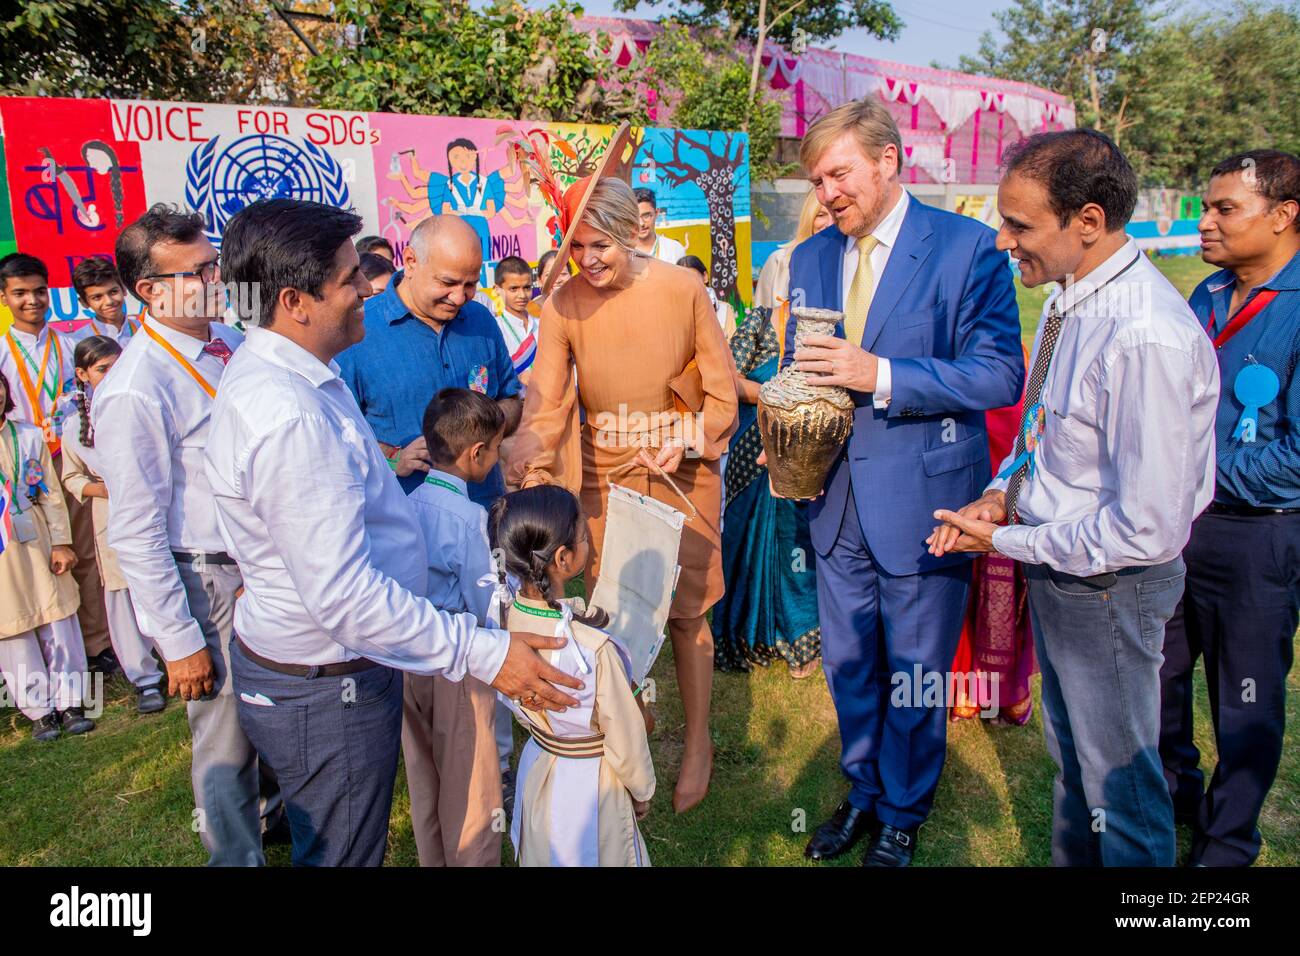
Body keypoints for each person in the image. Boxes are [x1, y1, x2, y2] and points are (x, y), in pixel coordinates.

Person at [206, 197, 583, 867]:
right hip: (330, 680)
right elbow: (346, 599)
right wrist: (487, 652)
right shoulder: (289, 415)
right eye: (351, 279)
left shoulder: (297, 379)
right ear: (295, 300)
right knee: (345, 853)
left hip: (335, 660)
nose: (365, 290)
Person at [929, 129, 1219, 867]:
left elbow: (1146, 527)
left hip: (1109, 588)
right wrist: (1001, 496)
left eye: (1020, 224)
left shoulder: (1142, 333)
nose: (1002, 241)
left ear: (1087, 221)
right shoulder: (1073, 303)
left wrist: (1007, 542)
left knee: (1119, 792)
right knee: (1080, 766)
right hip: (1068, 573)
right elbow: (1046, 435)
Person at [780, 99, 1024, 867]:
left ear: (888, 161)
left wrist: (880, 374)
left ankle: (904, 809)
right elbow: (806, 364)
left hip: (925, 502)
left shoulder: (967, 248)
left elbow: (999, 373)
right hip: (831, 502)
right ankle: (863, 792)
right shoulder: (816, 256)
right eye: (818, 180)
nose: (828, 194)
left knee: (916, 673)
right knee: (850, 665)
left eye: (839, 174)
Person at [510, 153, 738, 813]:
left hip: (681, 472)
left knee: (689, 613)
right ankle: (631, 729)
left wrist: (686, 437)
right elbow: (547, 406)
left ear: (634, 233)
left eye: (600, 244)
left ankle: (698, 740)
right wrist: (528, 465)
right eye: (576, 246)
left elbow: (721, 397)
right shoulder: (563, 305)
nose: (588, 259)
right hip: (602, 479)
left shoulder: (681, 289)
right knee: (617, 614)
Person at [93, 204, 278, 867]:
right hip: (210, 579)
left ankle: (272, 819)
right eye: (198, 270)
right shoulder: (135, 389)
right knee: (225, 735)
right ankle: (235, 857)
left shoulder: (231, 341)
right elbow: (136, 533)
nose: (216, 277)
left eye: (213, 263)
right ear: (149, 291)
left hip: (264, 563)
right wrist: (178, 643)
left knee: (275, 703)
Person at [1160, 148, 1300, 867]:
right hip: (1177, 528)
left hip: (1258, 541)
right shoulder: (1206, 296)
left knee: (1244, 701)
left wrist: (1190, 470)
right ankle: (1176, 796)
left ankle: (1226, 844)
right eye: (1207, 205)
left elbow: (1296, 461)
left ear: (1283, 216)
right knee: (1159, 677)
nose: (1206, 222)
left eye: (1225, 209)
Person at [491, 485, 656, 866]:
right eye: (584, 534)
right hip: (595, 785)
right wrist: (641, 789)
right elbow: (625, 733)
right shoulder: (593, 649)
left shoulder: (505, 623)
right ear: (563, 558)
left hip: (539, 766)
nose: (589, 539)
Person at [338, 215, 522, 506]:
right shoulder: (358, 332)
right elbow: (339, 435)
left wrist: (487, 423)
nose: (460, 297)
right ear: (410, 261)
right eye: (448, 282)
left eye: (471, 284)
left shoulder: (481, 320)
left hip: (484, 510)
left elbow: (511, 399)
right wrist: (392, 457)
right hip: (406, 520)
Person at [403, 387, 508, 867]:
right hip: (456, 659)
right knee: (471, 776)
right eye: (497, 450)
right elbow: (483, 599)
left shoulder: (406, 503)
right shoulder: (469, 517)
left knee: (423, 773)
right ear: (477, 453)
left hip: (407, 653)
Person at [0, 253, 114, 675]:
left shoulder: (71, 346)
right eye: (20, 293)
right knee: (31, 559)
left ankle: (97, 644)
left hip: (68, 460)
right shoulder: (1, 353)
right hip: (21, 468)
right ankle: (43, 658)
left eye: (39, 291)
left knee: (84, 553)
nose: (32, 300)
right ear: (4, 298)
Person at [711, 304, 821, 679]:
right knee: (742, 544)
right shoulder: (762, 321)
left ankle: (800, 640)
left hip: (800, 451)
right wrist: (781, 396)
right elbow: (726, 379)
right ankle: (745, 637)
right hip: (749, 457)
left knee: (795, 544)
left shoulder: (829, 329)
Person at [60, 335, 166, 715]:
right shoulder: (73, 425)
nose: (112, 374)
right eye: (103, 369)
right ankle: (145, 678)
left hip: (155, 510)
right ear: (83, 374)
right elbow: (71, 478)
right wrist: (101, 488)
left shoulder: (141, 405)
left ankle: (175, 657)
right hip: (111, 517)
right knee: (122, 594)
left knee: (160, 581)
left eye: (118, 366)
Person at [0, 369, 95, 741]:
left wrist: (61, 542)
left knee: (58, 617)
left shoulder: (26, 435)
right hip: (3, 551)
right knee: (13, 627)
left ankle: (71, 703)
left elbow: (52, 493)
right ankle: (39, 710)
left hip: (38, 537)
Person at [948, 357, 1035, 725]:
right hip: (963, 439)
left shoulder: (1013, 348)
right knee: (960, 574)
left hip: (1004, 447)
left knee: (998, 578)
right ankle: (968, 689)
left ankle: (998, 690)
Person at [753, 190, 832, 310]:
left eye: (836, 215)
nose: (830, 224)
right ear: (809, 218)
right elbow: (760, 320)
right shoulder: (779, 262)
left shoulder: (852, 262)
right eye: (821, 215)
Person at [491, 255, 540, 382]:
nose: (522, 295)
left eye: (527, 288)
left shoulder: (542, 324)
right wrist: (517, 377)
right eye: (514, 289)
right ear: (497, 290)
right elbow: (491, 374)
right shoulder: (494, 330)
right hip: (516, 400)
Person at [70, 257, 141, 344]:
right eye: (97, 297)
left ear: (124, 290)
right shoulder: (78, 341)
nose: (109, 302)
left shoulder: (145, 331)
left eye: (113, 292)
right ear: (84, 302)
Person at [676, 255, 735, 337]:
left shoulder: (724, 310)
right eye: (683, 279)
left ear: (705, 277)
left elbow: (732, 344)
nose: (689, 284)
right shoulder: (675, 312)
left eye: (693, 277)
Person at [633, 188, 687, 263]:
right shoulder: (622, 253)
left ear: (657, 213)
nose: (641, 223)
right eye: (635, 217)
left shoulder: (675, 249)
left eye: (646, 216)